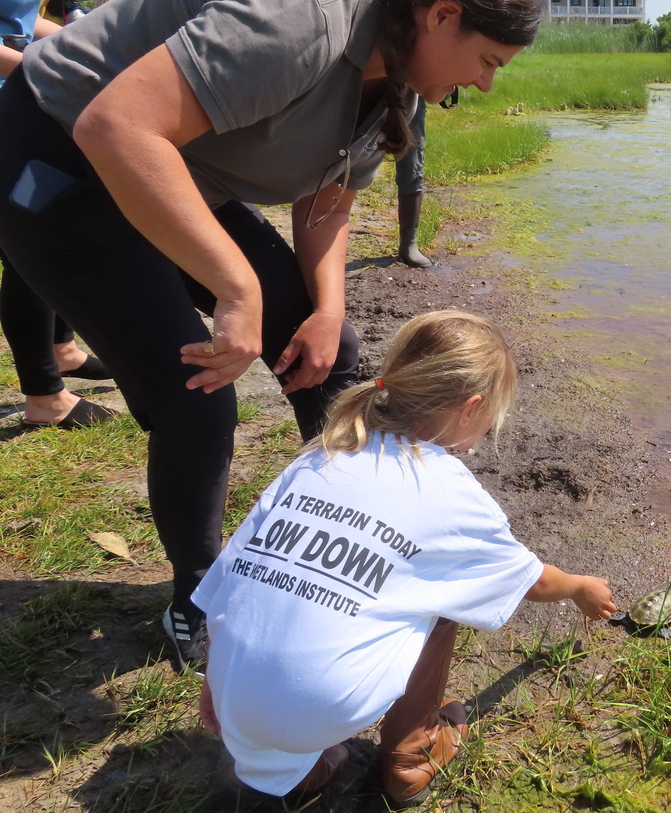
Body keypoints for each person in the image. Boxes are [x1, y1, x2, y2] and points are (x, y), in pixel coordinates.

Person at [0, 0, 542, 669]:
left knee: (329, 351)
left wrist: (327, 311)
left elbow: (328, 200)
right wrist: (235, 287)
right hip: (61, 159)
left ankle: (348, 532)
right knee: (196, 394)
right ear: (442, 15)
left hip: (176, 171)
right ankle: (196, 600)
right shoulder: (299, 15)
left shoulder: (401, 81)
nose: (485, 85)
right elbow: (116, 125)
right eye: (487, 62)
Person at [194, 311, 617, 804]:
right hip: (314, 704)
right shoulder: (449, 490)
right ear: (471, 408)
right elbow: (530, 580)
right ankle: (410, 758)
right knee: (444, 588)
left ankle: (296, 761)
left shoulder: (318, 457)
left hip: (230, 697)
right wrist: (580, 587)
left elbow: (233, 575)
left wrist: (218, 680)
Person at [1, 0, 115, 428]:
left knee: (40, 223)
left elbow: (21, 23)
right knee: (32, 234)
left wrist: (94, 46)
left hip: (19, 100)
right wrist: (49, 73)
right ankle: (45, 397)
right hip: (12, 99)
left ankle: (60, 351)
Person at [332, 0, 432, 268]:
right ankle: (325, 232)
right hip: (357, 70)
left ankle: (409, 242)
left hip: (407, 69)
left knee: (411, 150)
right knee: (338, 149)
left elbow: (437, 2)